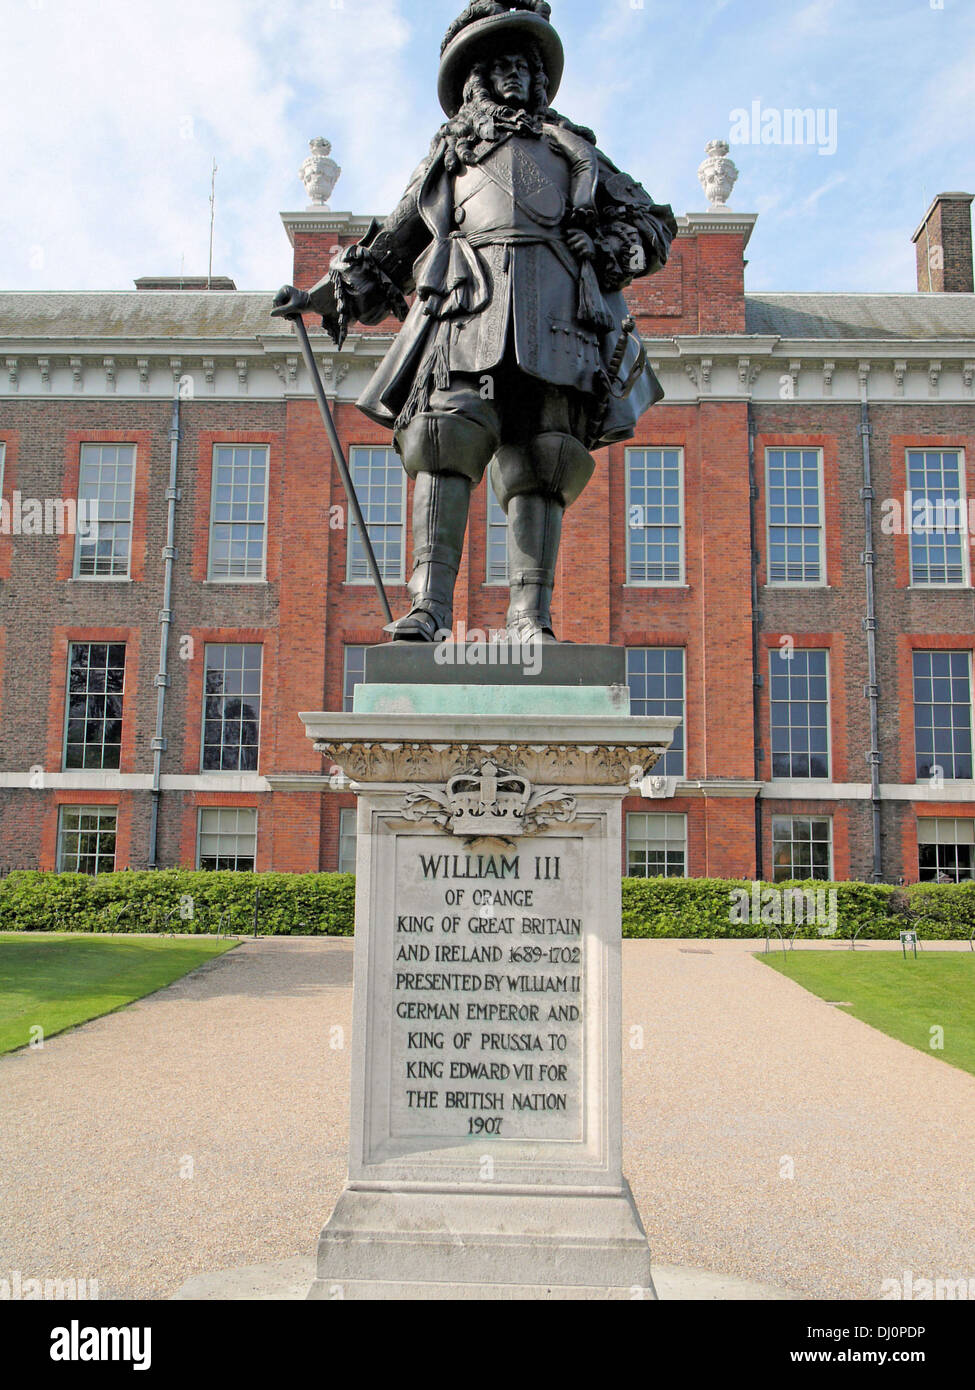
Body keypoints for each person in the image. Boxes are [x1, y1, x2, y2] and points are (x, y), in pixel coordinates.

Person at [274, 0, 676, 642]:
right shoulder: (452, 155)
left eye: (524, 65)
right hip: (467, 309)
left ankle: (529, 618)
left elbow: (652, 225)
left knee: (546, 457)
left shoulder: (576, 151)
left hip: (557, 317)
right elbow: (394, 243)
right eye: (499, 65)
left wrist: (602, 246)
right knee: (443, 439)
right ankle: (430, 607)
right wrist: (322, 295)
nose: (514, 75)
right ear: (476, 81)